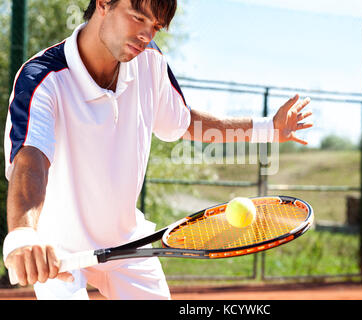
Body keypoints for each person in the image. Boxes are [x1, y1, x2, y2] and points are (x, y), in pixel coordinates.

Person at [2, 0, 313, 300]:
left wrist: (268, 128)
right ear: (103, 3)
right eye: (138, 17)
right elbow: (30, 162)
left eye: (156, 26)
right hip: (57, 252)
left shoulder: (150, 60)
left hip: (128, 242)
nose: (146, 35)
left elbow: (185, 122)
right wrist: (24, 236)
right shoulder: (41, 78)